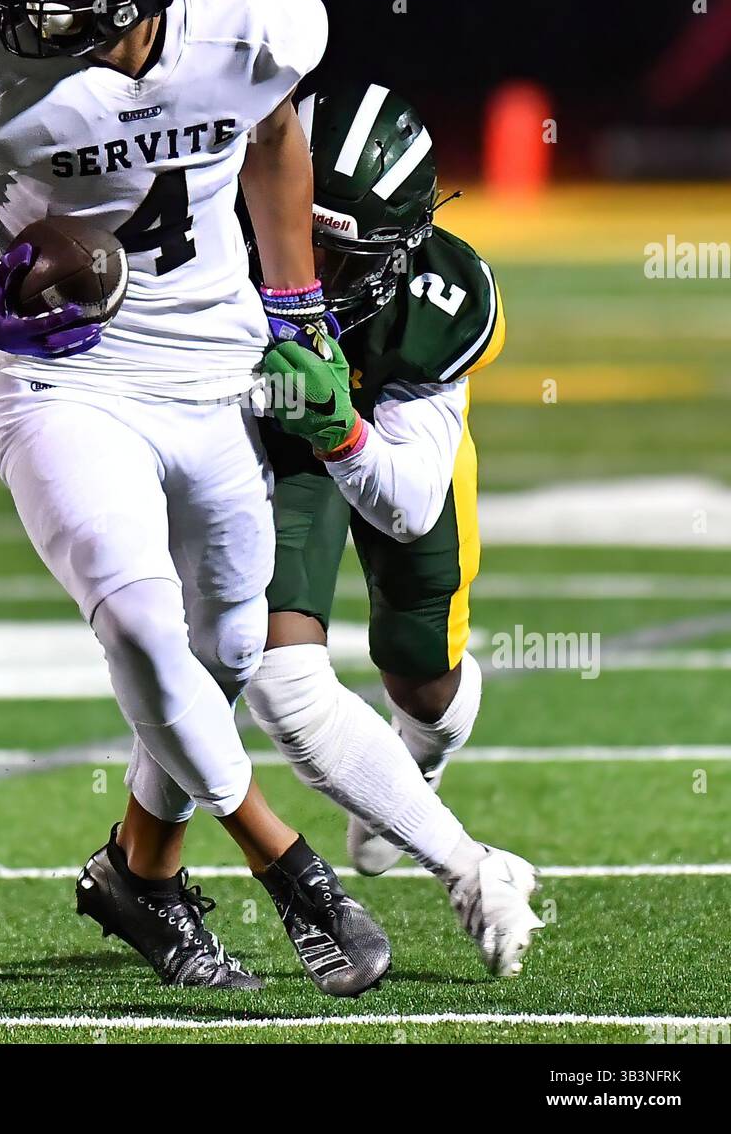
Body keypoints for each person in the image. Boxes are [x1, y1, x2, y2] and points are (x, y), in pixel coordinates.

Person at [0, 0, 390, 996]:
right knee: (142, 627)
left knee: (226, 651)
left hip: (213, 366)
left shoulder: (252, 13)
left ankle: (137, 877)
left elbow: (269, 129)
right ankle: (294, 870)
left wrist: (299, 306)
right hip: (62, 376)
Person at [244, 81, 545, 977]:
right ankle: (457, 860)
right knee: (265, 666)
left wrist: (336, 421)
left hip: (383, 437)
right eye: (295, 232)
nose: (310, 270)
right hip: (275, 437)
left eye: (343, 256)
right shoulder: (221, 230)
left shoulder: (434, 304)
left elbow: (405, 501)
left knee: (425, 687)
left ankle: (409, 774)